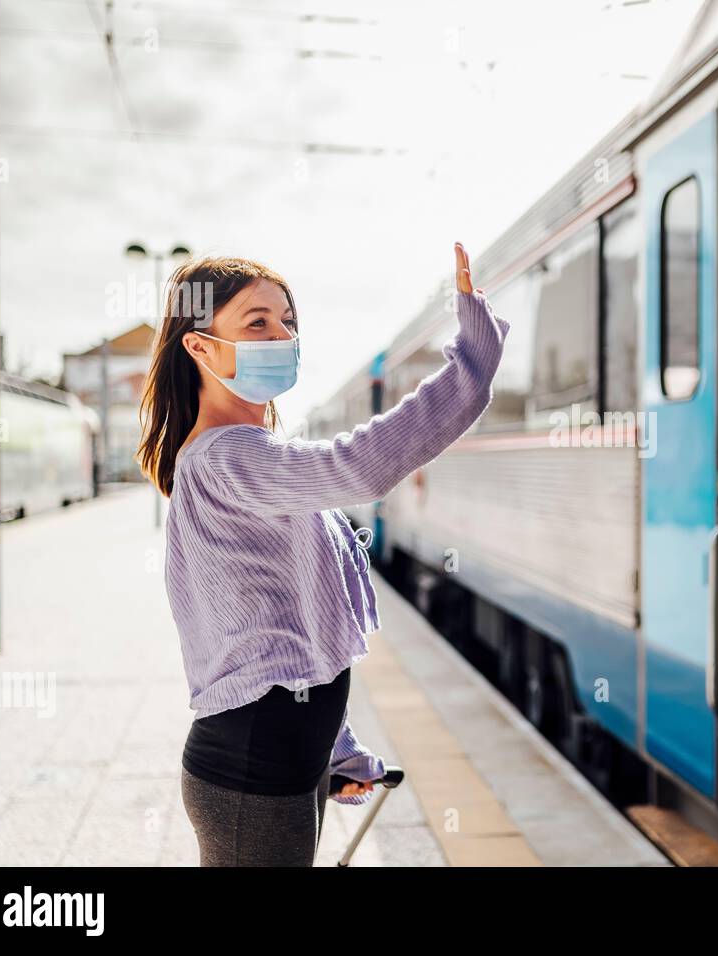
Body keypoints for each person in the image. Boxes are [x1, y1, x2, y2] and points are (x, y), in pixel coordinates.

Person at [135, 243, 508, 865]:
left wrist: (332, 750)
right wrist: (471, 366)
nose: (282, 334)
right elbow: (359, 467)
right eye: (257, 322)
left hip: (282, 761)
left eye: (287, 321)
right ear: (199, 347)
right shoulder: (228, 457)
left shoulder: (248, 452)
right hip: (252, 769)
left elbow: (284, 636)